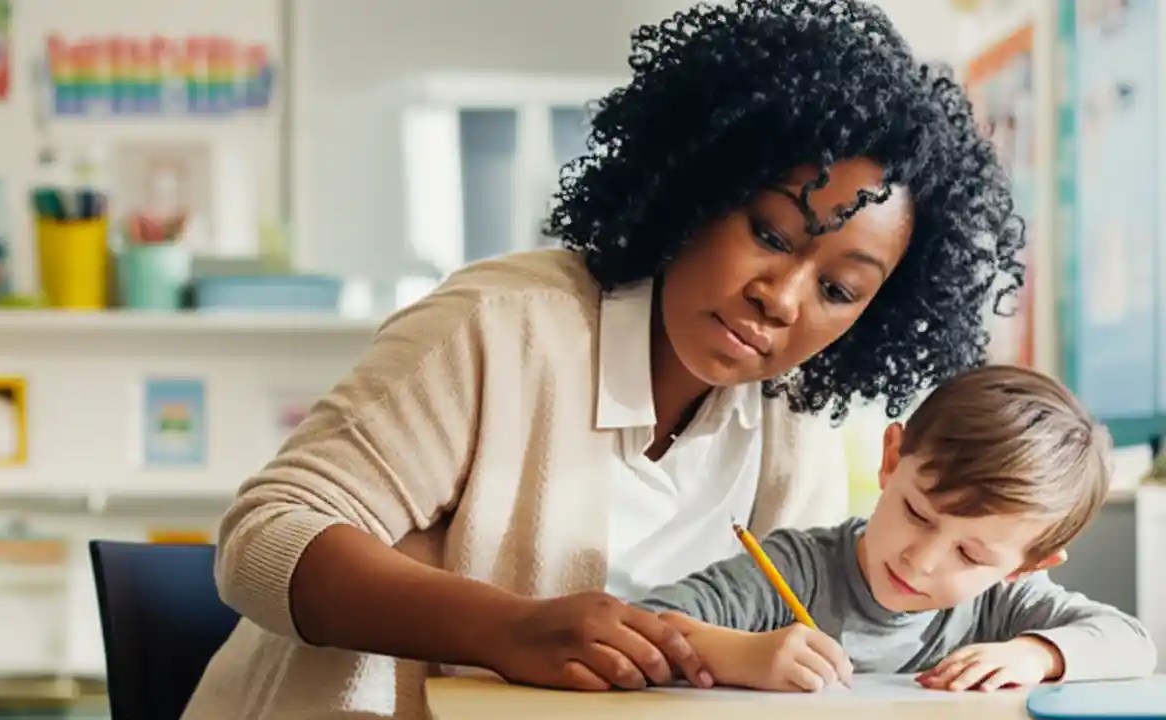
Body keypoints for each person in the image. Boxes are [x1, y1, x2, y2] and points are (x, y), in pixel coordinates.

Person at [182, 1, 1026, 717]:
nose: (784, 298)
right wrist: (506, 629)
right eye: (768, 234)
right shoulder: (499, 326)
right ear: (696, 189)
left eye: (840, 290)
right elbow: (264, 541)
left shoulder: (790, 422)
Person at [637, 366, 1157, 693]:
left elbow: (1133, 643)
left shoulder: (1002, 603)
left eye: (970, 556)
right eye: (917, 514)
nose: (922, 560)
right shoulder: (792, 569)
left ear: (1026, 565)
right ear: (892, 458)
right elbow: (639, 625)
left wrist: (1036, 654)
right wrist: (741, 655)